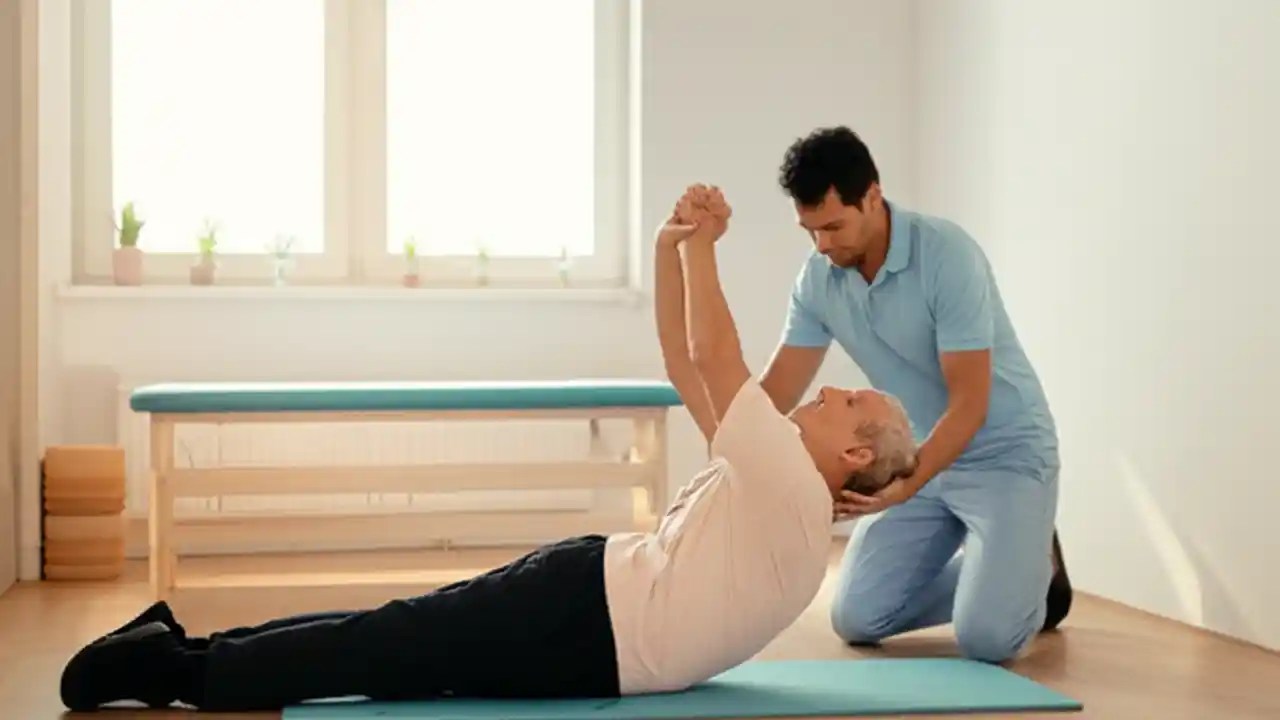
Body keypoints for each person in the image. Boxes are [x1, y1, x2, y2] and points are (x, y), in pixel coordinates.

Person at [59, 185, 919, 713]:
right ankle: (177, 663)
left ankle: (181, 657)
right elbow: (681, 358)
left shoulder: (789, 489)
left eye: (848, 402)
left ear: (852, 457)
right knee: (384, 645)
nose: (828, 391)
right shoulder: (780, 491)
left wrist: (701, 246)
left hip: (590, 618)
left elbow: (713, 356)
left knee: (385, 643)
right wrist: (669, 251)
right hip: (587, 605)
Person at [759, 126, 1072, 663]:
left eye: (834, 226)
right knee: (856, 618)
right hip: (918, 456)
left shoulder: (946, 254)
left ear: (873, 197)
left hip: (1006, 454)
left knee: (987, 640)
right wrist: (738, 463)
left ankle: (1029, 572)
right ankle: (1012, 573)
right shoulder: (818, 280)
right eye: (810, 231)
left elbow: (970, 404)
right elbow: (778, 391)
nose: (822, 245)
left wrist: (907, 487)